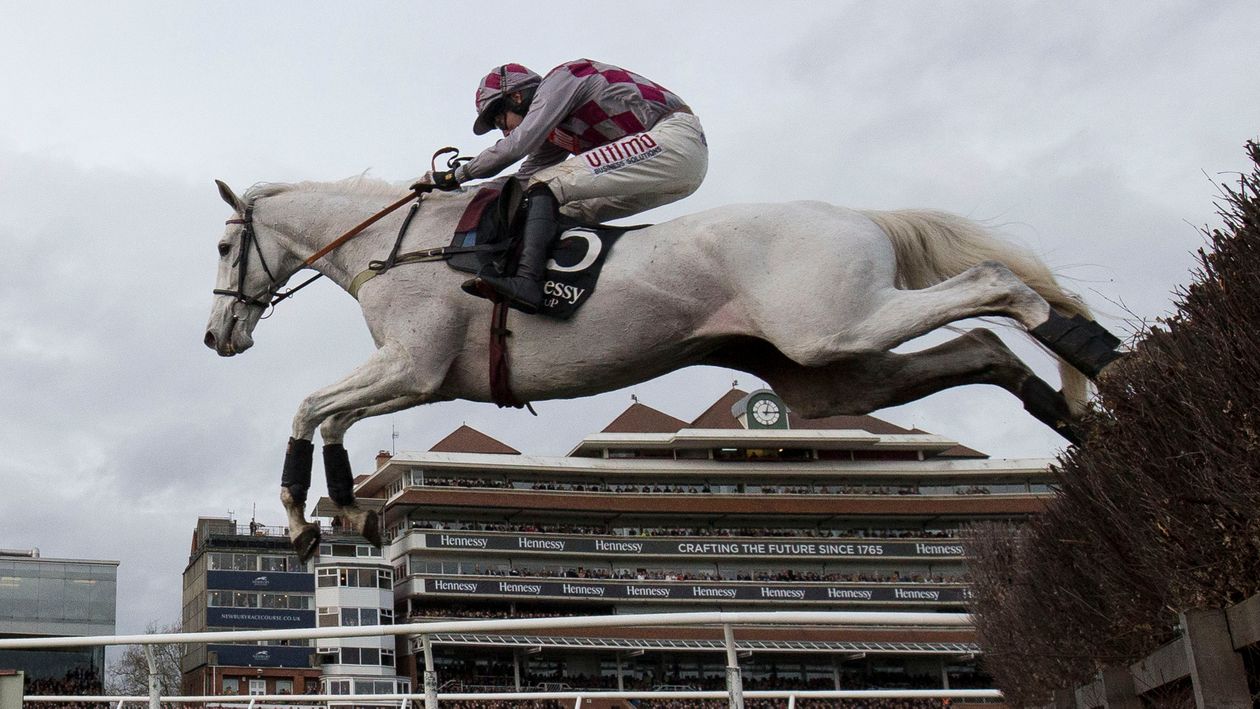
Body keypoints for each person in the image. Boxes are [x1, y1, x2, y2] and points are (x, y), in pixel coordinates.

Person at [417, 59, 708, 313]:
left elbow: (517, 146)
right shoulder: (555, 131)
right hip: (667, 172)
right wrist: (458, 194)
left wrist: (460, 174)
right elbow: (522, 177)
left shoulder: (561, 80)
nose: (504, 130)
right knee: (555, 205)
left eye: (499, 119)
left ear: (517, 96)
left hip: (675, 140)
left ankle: (526, 284)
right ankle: (568, 292)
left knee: (546, 185)